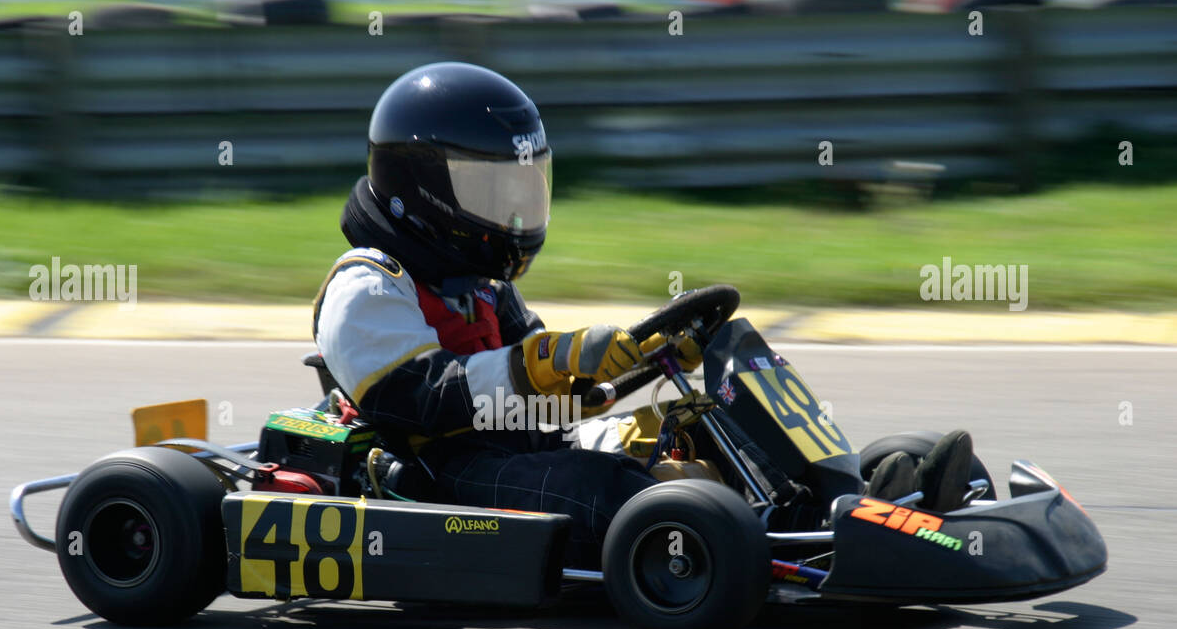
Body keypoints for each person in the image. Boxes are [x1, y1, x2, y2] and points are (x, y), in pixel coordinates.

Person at [313, 61, 976, 565]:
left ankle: (850, 498)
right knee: (607, 488)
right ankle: (810, 544)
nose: (513, 214)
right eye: (493, 192)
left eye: (522, 190)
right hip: (444, 478)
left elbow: (555, 402)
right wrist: (554, 360)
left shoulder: (483, 285)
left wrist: (640, 363)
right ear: (423, 190)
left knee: (710, 422)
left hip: (524, 447)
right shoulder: (369, 283)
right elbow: (418, 400)